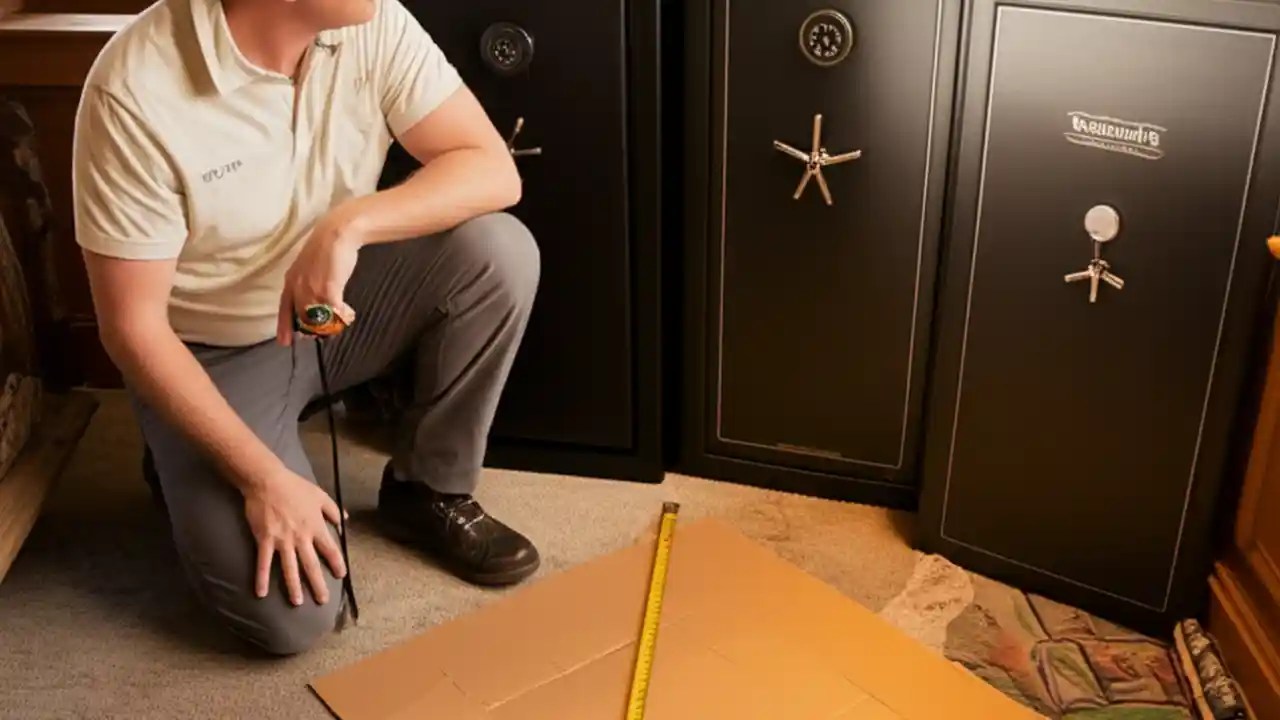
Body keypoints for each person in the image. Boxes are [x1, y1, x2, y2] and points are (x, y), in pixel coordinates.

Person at [72, 0, 543, 656]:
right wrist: (260, 479)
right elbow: (131, 330)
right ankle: (182, 452)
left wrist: (348, 225)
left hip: (326, 310)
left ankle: (427, 489)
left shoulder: (375, 21)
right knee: (293, 616)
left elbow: (492, 168)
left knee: (497, 251)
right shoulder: (134, 89)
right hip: (210, 353)